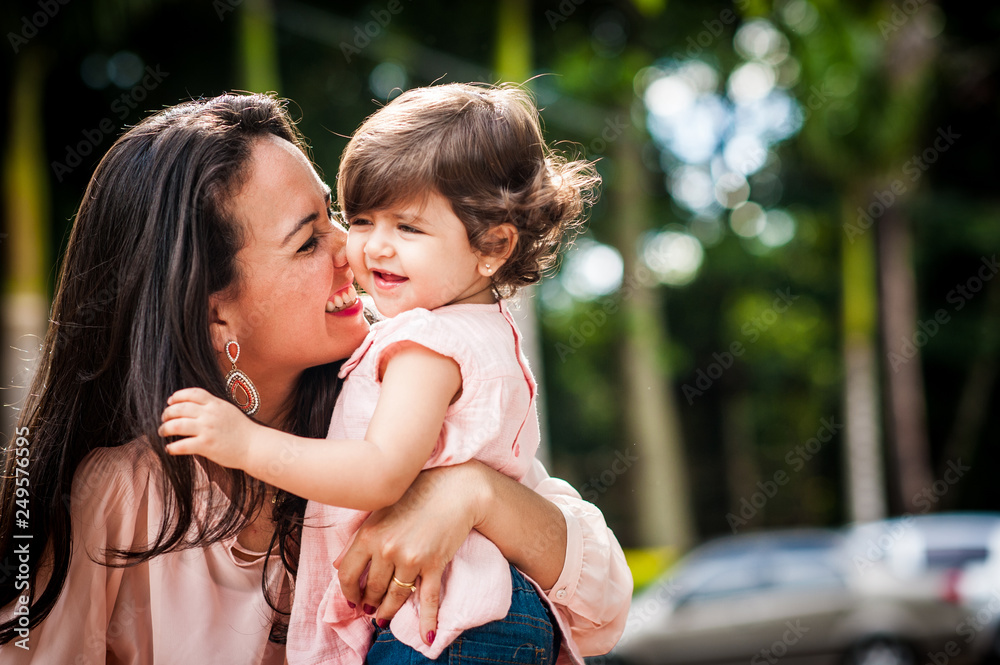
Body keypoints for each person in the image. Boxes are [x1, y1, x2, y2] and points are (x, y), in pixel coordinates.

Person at [0, 92, 632, 664]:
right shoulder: (123, 496)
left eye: (335, 215)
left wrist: (472, 493)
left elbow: (605, 598)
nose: (350, 249)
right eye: (309, 241)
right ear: (214, 307)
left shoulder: (388, 397)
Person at [160, 83, 603, 664]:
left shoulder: (429, 344)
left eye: (409, 228)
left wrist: (245, 443)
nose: (368, 248)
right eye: (363, 219)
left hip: (444, 625)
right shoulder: (476, 329)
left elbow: (378, 473)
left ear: (492, 245)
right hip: (472, 612)